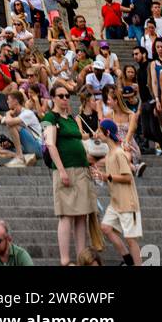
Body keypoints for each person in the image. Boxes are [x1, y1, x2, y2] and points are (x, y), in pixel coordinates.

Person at [43, 79, 96, 266]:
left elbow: (79, 141)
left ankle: (83, 258)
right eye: (61, 96)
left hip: (81, 169)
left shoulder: (72, 118)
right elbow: (50, 144)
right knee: (66, 215)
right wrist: (61, 170)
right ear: (53, 98)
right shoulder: (50, 118)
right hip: (66, 169)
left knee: (82, 214)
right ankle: (65, 260)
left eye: (67, 95)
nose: (65, 99)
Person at [96, 118, 143, 265]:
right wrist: (101, 177)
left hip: (128, 203)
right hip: (115, 203)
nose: (97, 133)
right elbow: (112, 177)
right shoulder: (109, 154)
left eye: (99, 130)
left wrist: (107, 176)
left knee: (130, 240)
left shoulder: (118, 153)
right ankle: (128, 260)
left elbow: (128, 177)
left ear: (107, 132)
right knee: (105, 227)